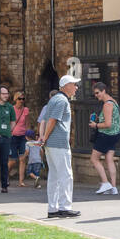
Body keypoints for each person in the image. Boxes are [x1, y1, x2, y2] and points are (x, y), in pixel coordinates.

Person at [37, 75, 80, 218]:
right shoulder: (62, 101)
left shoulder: (54, 99)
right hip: (59, 143)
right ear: (66, 85)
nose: (76, 87)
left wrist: (43, 137)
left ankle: (53, 208)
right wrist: (45, 137)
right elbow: (52, 120)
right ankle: (65, 207)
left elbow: (44, 120)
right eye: (74, 84)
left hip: (51, 144)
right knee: (66, 175)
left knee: (54, 176)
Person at [88, 81, 120, 195]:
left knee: (94, 159)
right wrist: (99, 118)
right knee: (109, 159)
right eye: (95, 93)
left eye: (98, 93)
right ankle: (114, 187)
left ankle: (105, 183)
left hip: (105, 135)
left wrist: (95, 125)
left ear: (103, 91)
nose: (96, 95)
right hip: (115, 135)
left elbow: (107, 124)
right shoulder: (113, 101)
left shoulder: (107, 104)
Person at [10, 90, 31, 185]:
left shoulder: (26, 110)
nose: (21, 101)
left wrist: (28, 135)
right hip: (13, 137)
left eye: (23, 99)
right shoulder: (11, 109)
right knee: (13, 160)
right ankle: (5, 176)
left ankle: (21, 181)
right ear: (15, 99)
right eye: (19, 99)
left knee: (22, 159)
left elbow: (27, 123)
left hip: (23, 137)